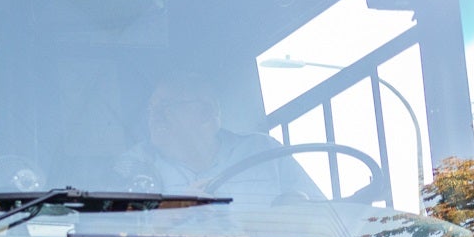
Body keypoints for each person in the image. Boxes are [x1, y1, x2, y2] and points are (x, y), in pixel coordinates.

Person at [115, 74, 324, 204]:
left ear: (206, 113)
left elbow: (323, 218)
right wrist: (175, 211)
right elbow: (120, 231)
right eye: (152, 108)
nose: (155, 115)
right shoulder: (132, 165)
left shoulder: (264, 152)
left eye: (166, 106)